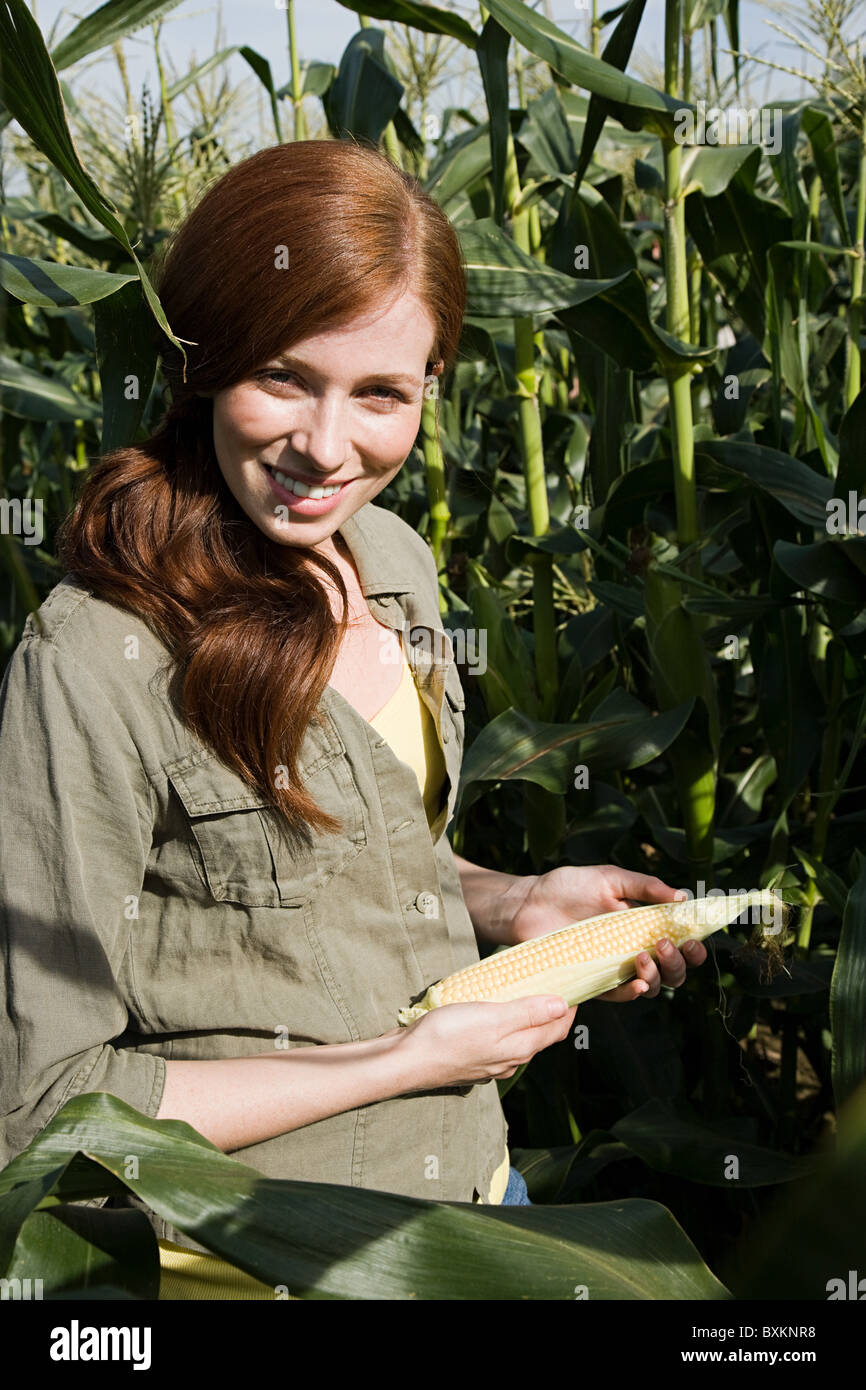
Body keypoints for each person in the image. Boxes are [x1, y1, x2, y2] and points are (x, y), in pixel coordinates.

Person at [0, 140, 706, 1298]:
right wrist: (398, 1061)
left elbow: (362, 864)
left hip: (475, 1198)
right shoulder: (92, 659)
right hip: (264, 1258)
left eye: (381, 393)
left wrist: (508, 900)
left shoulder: (391, 564)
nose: (326, 449)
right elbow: (44, 1104)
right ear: (200, 359)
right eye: (283, 375)